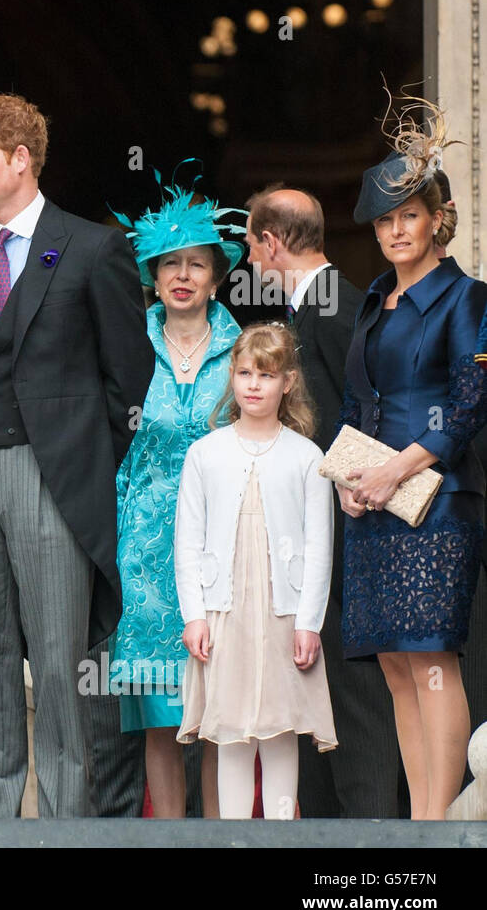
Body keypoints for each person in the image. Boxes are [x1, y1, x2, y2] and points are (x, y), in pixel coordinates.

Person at [0, 94, 153, 818]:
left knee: (60, 660)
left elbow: (130, 378)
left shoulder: (94, 248)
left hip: (53, 474)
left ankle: (67, 827)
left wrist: (82, 459)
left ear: (20, 161)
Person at [340, 100, 487, 821]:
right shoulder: (373, 303)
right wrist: (348, 483)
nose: (396, 232)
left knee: (432, 660)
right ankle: (418, 827)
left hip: (439, 499)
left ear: (437, 219)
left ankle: (438, 825)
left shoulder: (467, 298)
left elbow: (468, 405)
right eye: (385, 221)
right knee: (397, 667)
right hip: (372, 503)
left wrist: (398, 469)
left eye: (409, 217)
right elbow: (353, 408)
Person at [244, 184, 400, 818]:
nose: (250, 266)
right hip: (318, 535)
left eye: (251, 250)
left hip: (351, 531)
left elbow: (369, 420)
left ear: (272, 243)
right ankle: (330, 827)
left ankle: (371, 839)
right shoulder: (322, 309)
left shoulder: (339, 312)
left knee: (353, 688)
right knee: (320, 682)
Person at [108, 180, 243, 818]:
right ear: (153, 276)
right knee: (160, 709)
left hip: (226, 539)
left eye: (195, 263)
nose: (182, 275)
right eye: (169, 264)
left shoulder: (244, 351)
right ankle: (166, 834)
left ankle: (217, 833)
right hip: (145, 542)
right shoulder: (127, 344)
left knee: (218, 704)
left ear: (216, 276)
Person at [176, 323, 337, 819]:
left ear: (287, 382)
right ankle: (233, 835)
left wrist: (309, 622)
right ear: (233, 375)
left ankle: (282, 834)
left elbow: (319, 547)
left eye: (265, 375)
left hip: (282, 615)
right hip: (224, 612)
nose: (253, 385)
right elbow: (188, 538)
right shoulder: (205, 453)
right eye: (244, 373)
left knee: (281, 727)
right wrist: (194, 616)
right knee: (230, 732)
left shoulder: (307, 457)